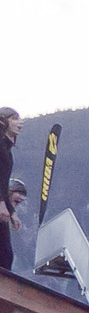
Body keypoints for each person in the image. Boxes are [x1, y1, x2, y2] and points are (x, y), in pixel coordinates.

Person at [0, 108, 22, 274]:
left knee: (6, 255)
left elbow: (3, 183)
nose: (20, 123)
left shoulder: (6, 150)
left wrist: (12, 211)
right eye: (14, 119)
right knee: (5, 255)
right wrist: (2, 204)